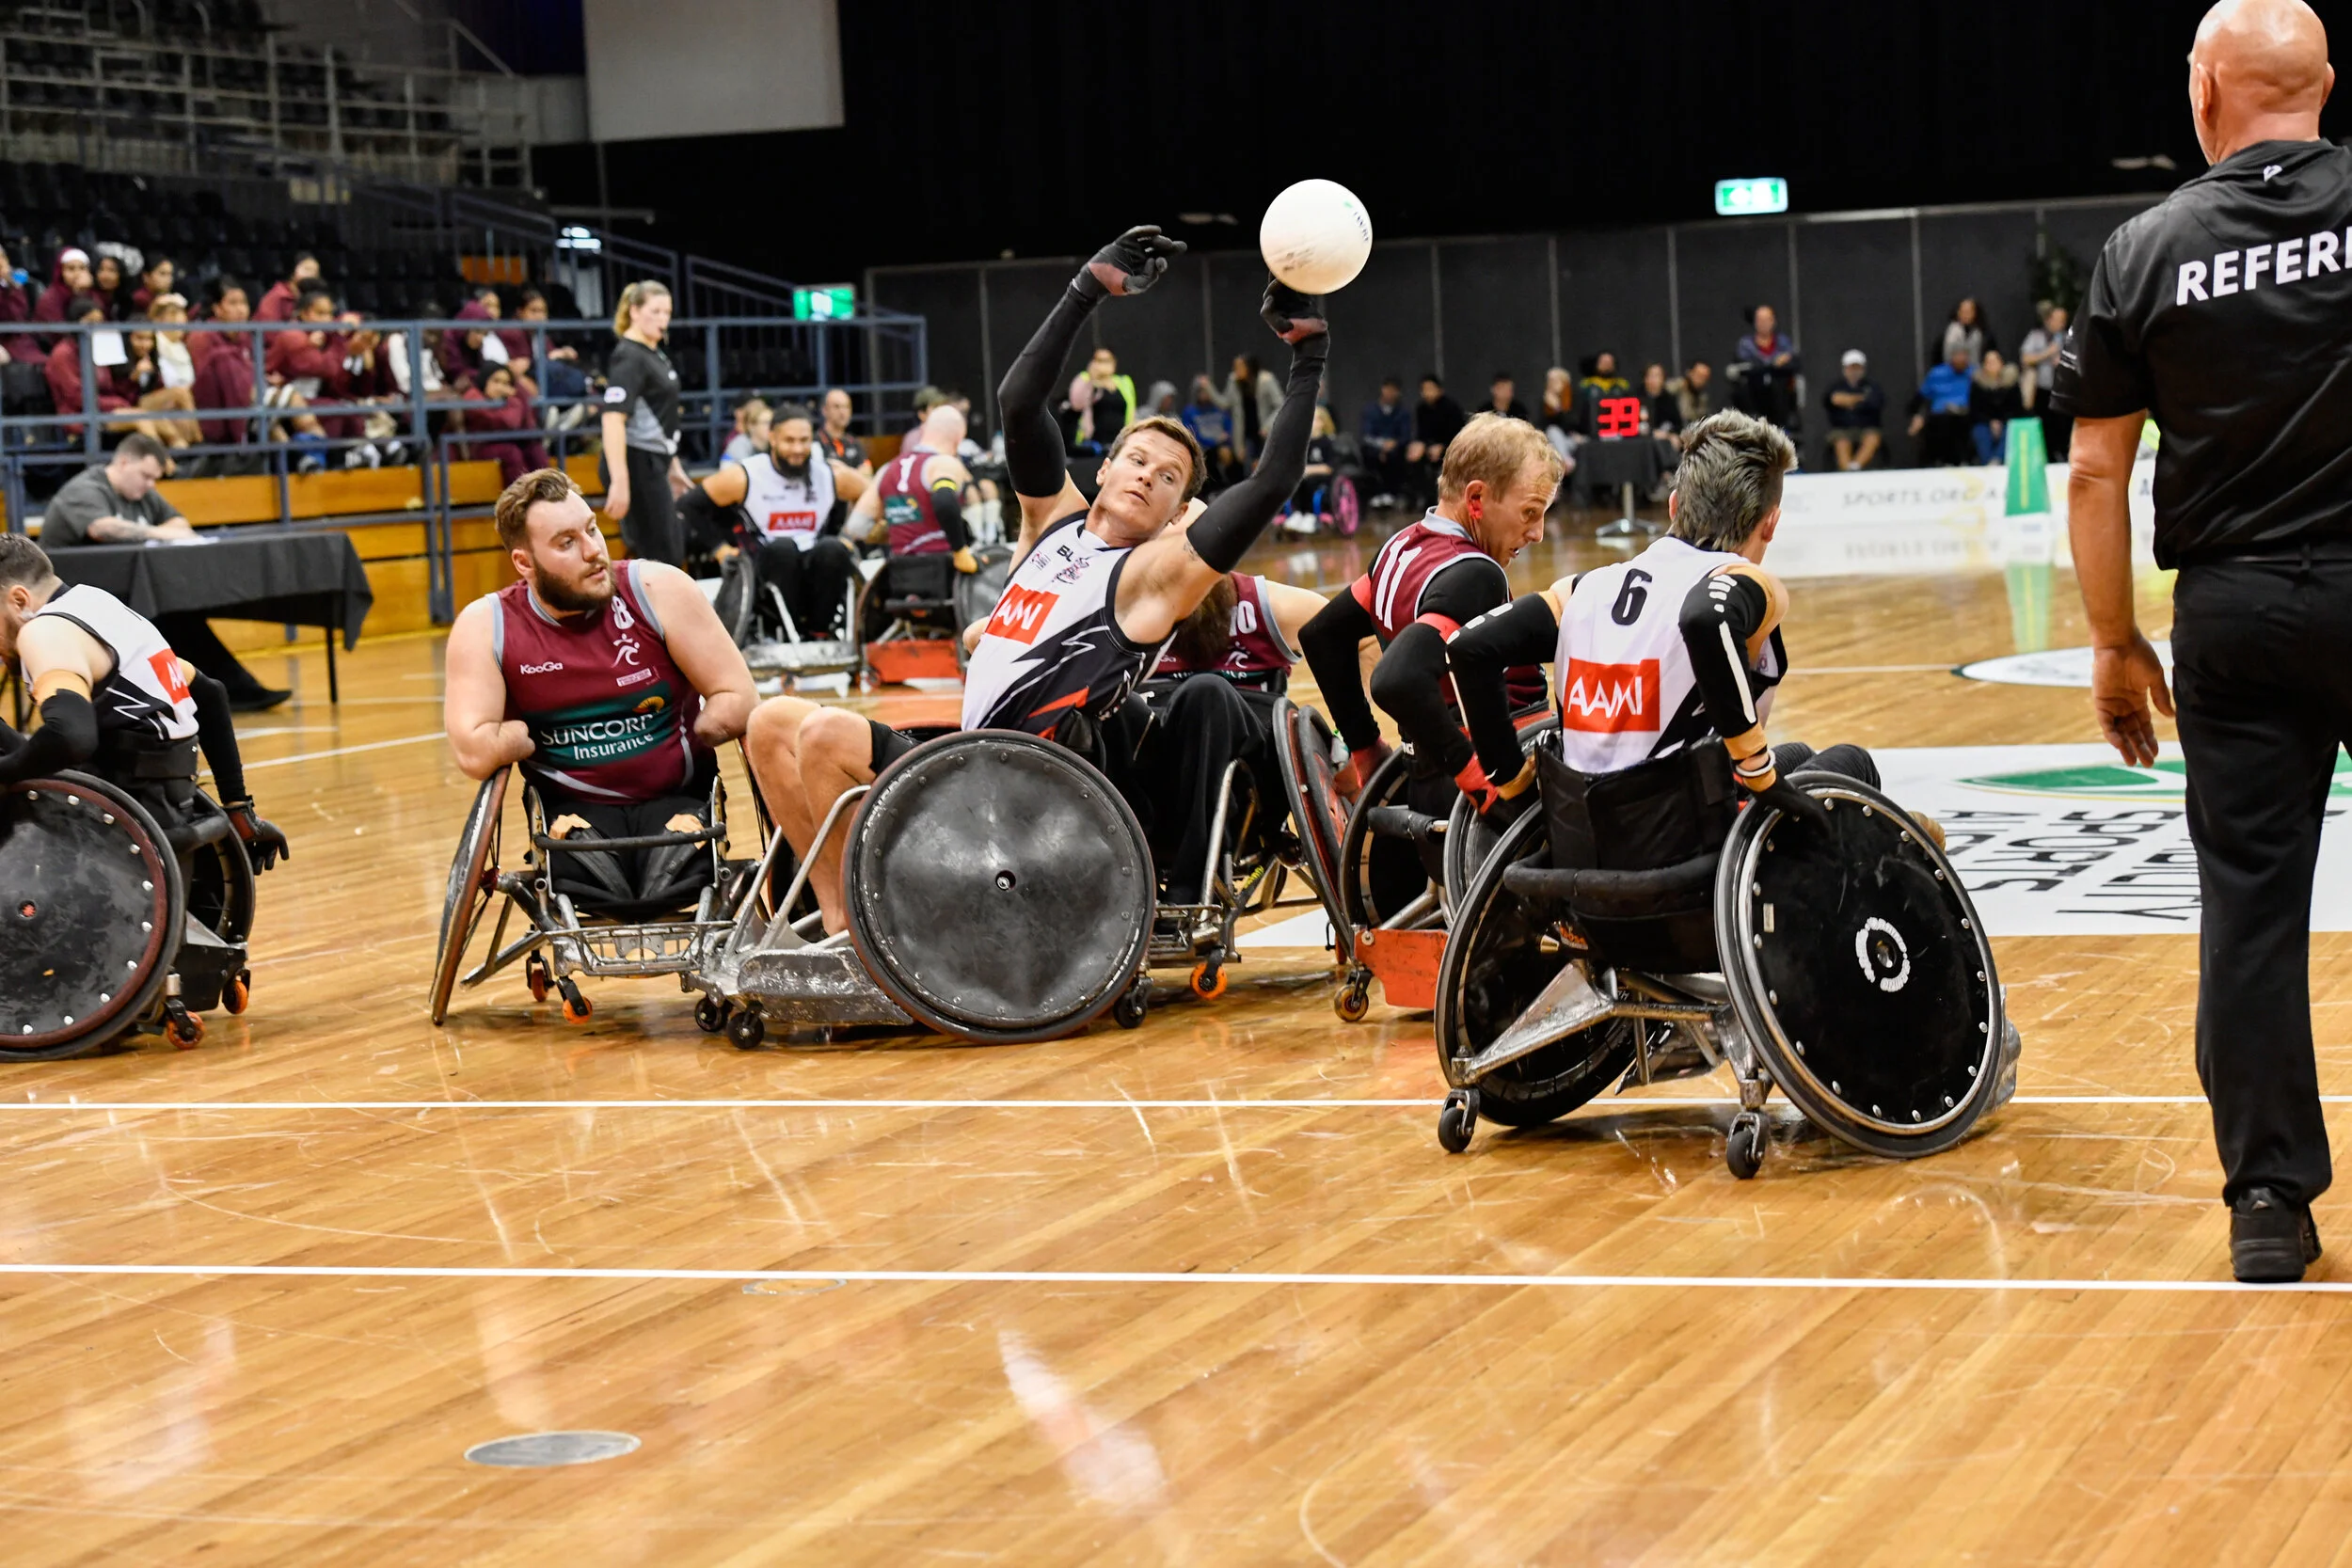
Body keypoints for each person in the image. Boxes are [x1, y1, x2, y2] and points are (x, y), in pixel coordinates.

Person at [745, 225, 1328, 927]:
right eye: (1137, 459)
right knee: (772, 722)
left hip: (1044, 792)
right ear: (1104, 468)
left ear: (1180, 510)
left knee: (827, 736)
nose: (1148, 475)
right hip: (976, 764)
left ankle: (858, 937)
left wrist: (1308, 356)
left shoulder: (1153, 575)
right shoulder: (1052, 519)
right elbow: (1020, 402)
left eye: (1169, 477)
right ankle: (840, 918)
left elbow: (1273, 482)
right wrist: (1089, 287)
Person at [2053, 0, 2349, 1282]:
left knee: (2251, 915)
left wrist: (2116, 643)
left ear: (2204, 93)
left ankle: (2270, 1201)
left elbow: (2095, 474)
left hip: (2236, 614)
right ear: (2325, 87)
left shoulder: (2146, 246)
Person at [1442, 409, 1888, 839]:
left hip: (1579, 832)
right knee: (1853, 762)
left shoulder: (1585, 587)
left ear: (1675, 505)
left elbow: (1468, 647)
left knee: (1799, 756)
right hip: (1678, 844)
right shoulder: (1744, 581)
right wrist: (1760, 774)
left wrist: (1513, 786)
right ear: (1770, 523)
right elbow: (1704, 617)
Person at [442, 468, 756, 902]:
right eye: (567, 542)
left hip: (677, 796)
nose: (593, 551)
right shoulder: (486, 625)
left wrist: (694, 735)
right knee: (605, 888)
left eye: (592, 529)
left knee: (665, 883)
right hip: (572, 811)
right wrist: (522, 734)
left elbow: (738, 698)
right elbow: (475, 752)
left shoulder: (657, 588)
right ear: (524, 562)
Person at [1297, 415, 1562, 835]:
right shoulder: (1475, 574)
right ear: (1476, 499)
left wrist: (1365, 748)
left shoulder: (1399, 547)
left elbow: (1323, 636)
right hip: (1491, 796)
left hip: (1423, 788)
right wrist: (1476, 780)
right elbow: (1398, 679)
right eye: (1530, 512)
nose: (1538, 533)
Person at [0, 534, 289, 873]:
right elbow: (210, 694)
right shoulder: (95, 605)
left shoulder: (43, 631)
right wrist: (238, 808)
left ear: (19, 600)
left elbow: (70, 737)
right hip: (168, 801)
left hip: (118, 809)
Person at [36, 436, 291, 711]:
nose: (150, 484)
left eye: (154, 478)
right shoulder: (85, 489)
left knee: (178, 607)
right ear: (123, 462)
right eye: (145, 476)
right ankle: (217, 692)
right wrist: (158, 532)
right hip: (73, 599)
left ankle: (230, 690)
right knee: (167, 614)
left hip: (120, 593)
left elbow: (179, 522)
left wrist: (164, 530)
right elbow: (102, 528)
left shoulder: (142, 493)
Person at [680, 403, 865, 639]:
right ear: (773, 439)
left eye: (804, 440)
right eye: (789, 441)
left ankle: (819, 632)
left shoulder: (830, 474)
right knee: (783, 548)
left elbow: (877, 496)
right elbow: (688, 505)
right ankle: (792, 631)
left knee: (834, 548)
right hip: (768, 564)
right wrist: (720, 549)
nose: (798, 449)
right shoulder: (745, 475)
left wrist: (849, 534)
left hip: (817, 567)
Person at [597, 280, 690, 565]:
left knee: (670, 551)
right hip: (637, 462)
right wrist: (621, 480)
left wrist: (672, 466)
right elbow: (613, 417)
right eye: (656, 311)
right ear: (634, 311)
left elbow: (662, 417)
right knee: (661, 557)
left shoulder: (653, 352)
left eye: (667, 312)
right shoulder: (630, 356)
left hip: (655, 461)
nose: (663, 319)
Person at [462, 363, 554, 486]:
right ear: (485, 380)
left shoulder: (506, 400)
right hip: (479, 447)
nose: (500, 387)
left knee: (535, 450)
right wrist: (512, 400)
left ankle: (551, 493)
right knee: (511, 453)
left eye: (505, 383)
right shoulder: (473, 396)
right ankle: (520, 498)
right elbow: (508, 421)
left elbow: (525, 422)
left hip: (505, 441)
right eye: (496, 381)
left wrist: (514, 396)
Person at [1733, 306, 1801, 431]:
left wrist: (1766, 367)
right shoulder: (1745, 344)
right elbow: (1745, 367)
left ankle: (1784, 429)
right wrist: (1773, 364)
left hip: (1780, 397)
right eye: (1760, 320)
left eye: (1766, 320)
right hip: (1754, 394)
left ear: (1773, 321)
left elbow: (1794, 363)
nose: (1763, 324)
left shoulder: (1783, 342)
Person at [1907, 344, 1978, 466]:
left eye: (1963, 356)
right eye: (1957, 356)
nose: (1960, 359)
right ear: (1951, 357)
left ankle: (1961, 461)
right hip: (1939, 416)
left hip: (1966, 414)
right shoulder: (1937, 373)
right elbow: (1919, 399)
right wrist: (1917, 415)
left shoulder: (1975, 373)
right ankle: (1942, 462)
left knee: (1961, 424)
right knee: (1940, 424)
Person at [2019, 301, 2074, 456]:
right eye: (2058, 319)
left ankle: (2062, 452)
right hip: (2042, 388)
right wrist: (2047, 353)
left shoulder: (2067, 338)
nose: (2061, 323)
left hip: (2062, 388)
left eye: (2063, 320)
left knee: (2063, 423)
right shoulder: (2036, 336)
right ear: (2049, 320)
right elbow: (2026, 358)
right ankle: (2046, 453)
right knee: (2045, 422)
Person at [1407, 372, 1466, 508]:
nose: (1428, 393)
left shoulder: (1451, 408)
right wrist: (1420, 445)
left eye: (1431, 389)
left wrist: (1442, 447)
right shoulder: (1421, 409)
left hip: (1451, 448)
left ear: (1439, 389)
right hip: (1429, 449)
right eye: (1424, 389)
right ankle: (1418, 499)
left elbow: (1459, 435)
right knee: (1413, 459)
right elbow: (1421, 434)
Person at [1824, 350, 1886, 469]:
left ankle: (1855, 466)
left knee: (1872, 438)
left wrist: (1848, 400)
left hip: (1867, 428)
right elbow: (1830, 400)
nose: (1854, 372)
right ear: (1845, 369)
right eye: (1851, 368)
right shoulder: (1836, 386)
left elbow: (1875, 402)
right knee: (1841, 442)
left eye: (1857, 368)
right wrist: (1860, 398)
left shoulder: (1872, 386)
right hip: (1842, 429)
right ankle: (1847, 471)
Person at [1359, 375, 1412, 505]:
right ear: (1382, 389)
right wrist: (1381, 446)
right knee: (1369, 454)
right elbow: (1366, 435)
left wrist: (1393, 444)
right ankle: (1376, 493)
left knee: (1396, 455)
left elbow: (1406, 435)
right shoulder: (1370, 410)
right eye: (1387, 389)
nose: (1390, 393)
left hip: (1396, 449)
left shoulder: (1403, 412)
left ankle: (1392, 493)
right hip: (1374, 448)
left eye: (1393, 390)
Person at [1182, 373, 1240, 491]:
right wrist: (1213, 441)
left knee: (1235, 457)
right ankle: (1213, 490)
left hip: (1223, 445)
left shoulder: (1218, 408)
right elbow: (1192, 435)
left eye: (1207, 391)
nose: (1205, 394)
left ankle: (1232, 488)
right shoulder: (1190, 411)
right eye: (1202, 391)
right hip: (1203, 449)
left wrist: (1226, 439)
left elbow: (1229, 426)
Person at [1969, 348, 2025, 463]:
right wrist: (1990, 422)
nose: (1992, 365)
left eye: (1995, 362)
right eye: (1988, 362)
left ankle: (1997, 460)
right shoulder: (1978, 383)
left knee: (2010, 430)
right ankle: (1987, 461)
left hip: (2007, 421)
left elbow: (2017, 408)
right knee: (1980, 432)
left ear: (2001, 363)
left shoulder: (2011, 382)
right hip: (1984, 422)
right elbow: (1975, 409)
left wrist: (2002, 421)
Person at [34, 248, 97, 337]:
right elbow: (59, 332)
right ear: (61, 272)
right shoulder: (50, 297)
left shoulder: (94, 292)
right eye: (71, 269)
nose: (77, 273)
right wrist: (79, 294)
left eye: (82, 268)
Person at [255, 253, 321, 324]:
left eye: (315, 272)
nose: (311, 275)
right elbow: (268, 328)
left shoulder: (315, 298)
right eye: (307, 269)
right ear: (293, 272)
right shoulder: (277, 296)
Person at [1935, 296, 1995, 373]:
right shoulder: (1945, 337)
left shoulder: (1986, 336)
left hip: (1979, 376)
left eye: (1969, 311)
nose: (1965, 315)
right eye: (1963, 311)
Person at [816, 387, 869, 473]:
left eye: (847, 407)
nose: (842, 412)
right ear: (824, 410)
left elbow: (867, 471)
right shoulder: (815, 442)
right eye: (837, 407)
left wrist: (844, 472)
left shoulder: (854, 442)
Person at [1088, 345, 1137, 433]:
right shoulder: (1086, 379)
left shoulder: (1124, 381)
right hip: (1093, 439)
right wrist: (1092, 378)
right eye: (1100, 361)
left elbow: (1131, 409)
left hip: (1120, 435)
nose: (1104, 365)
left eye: (1107, 361)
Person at [723, 397, 771, 464]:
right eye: (765, 423)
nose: (770, 427)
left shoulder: (772, 443)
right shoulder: (739, 445)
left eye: (772, 422)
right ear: (751, 426)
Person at [1670, 360, 1717, 428]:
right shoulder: (1675, 388)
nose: (1701, 380)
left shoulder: (1703, 399)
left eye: (1705, 378)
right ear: (1689, 373)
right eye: (1698, 375)